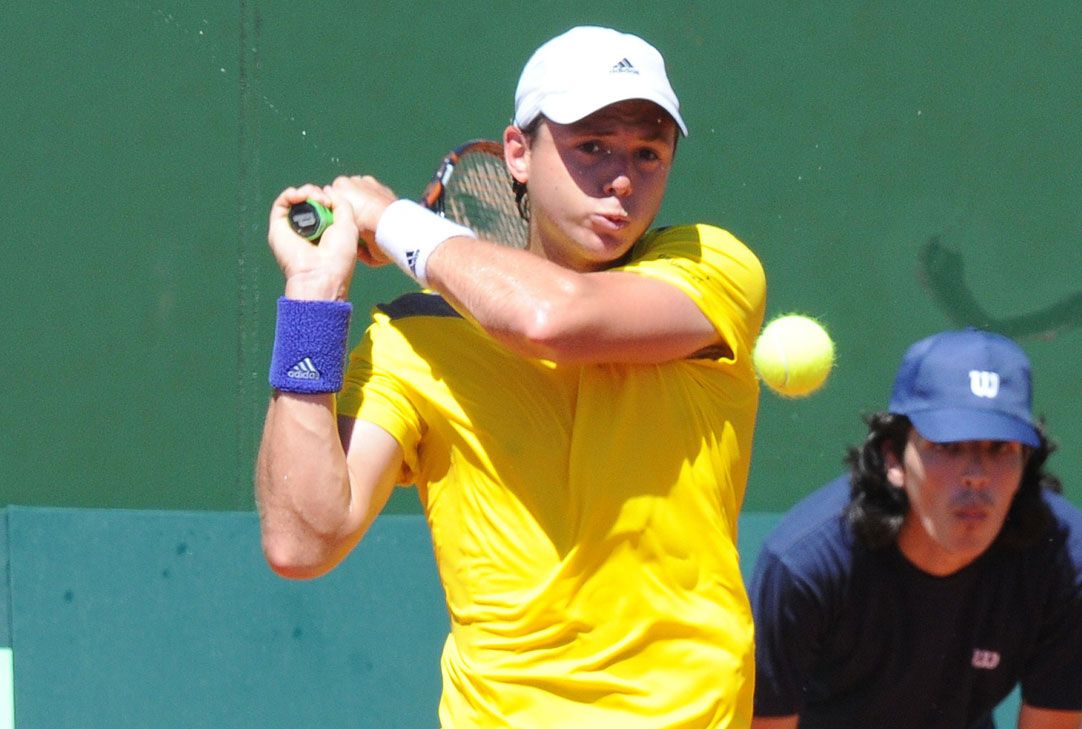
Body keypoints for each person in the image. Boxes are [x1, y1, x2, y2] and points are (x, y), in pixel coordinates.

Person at [255, 26, 767, 729]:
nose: (622, 179)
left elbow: (547, 318)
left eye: (648, 153)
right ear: (519, 154)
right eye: (593, 147)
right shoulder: (417, 336)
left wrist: (395, 220)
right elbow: (302, 540)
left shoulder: (711, 270)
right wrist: (313, 296)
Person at [748, 328, 1082, 729]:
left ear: (1027, 461)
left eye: (1000, 449)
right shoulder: (805, 565)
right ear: (893, 458)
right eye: (948, 446)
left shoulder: (1069, 559)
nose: (976, 475)